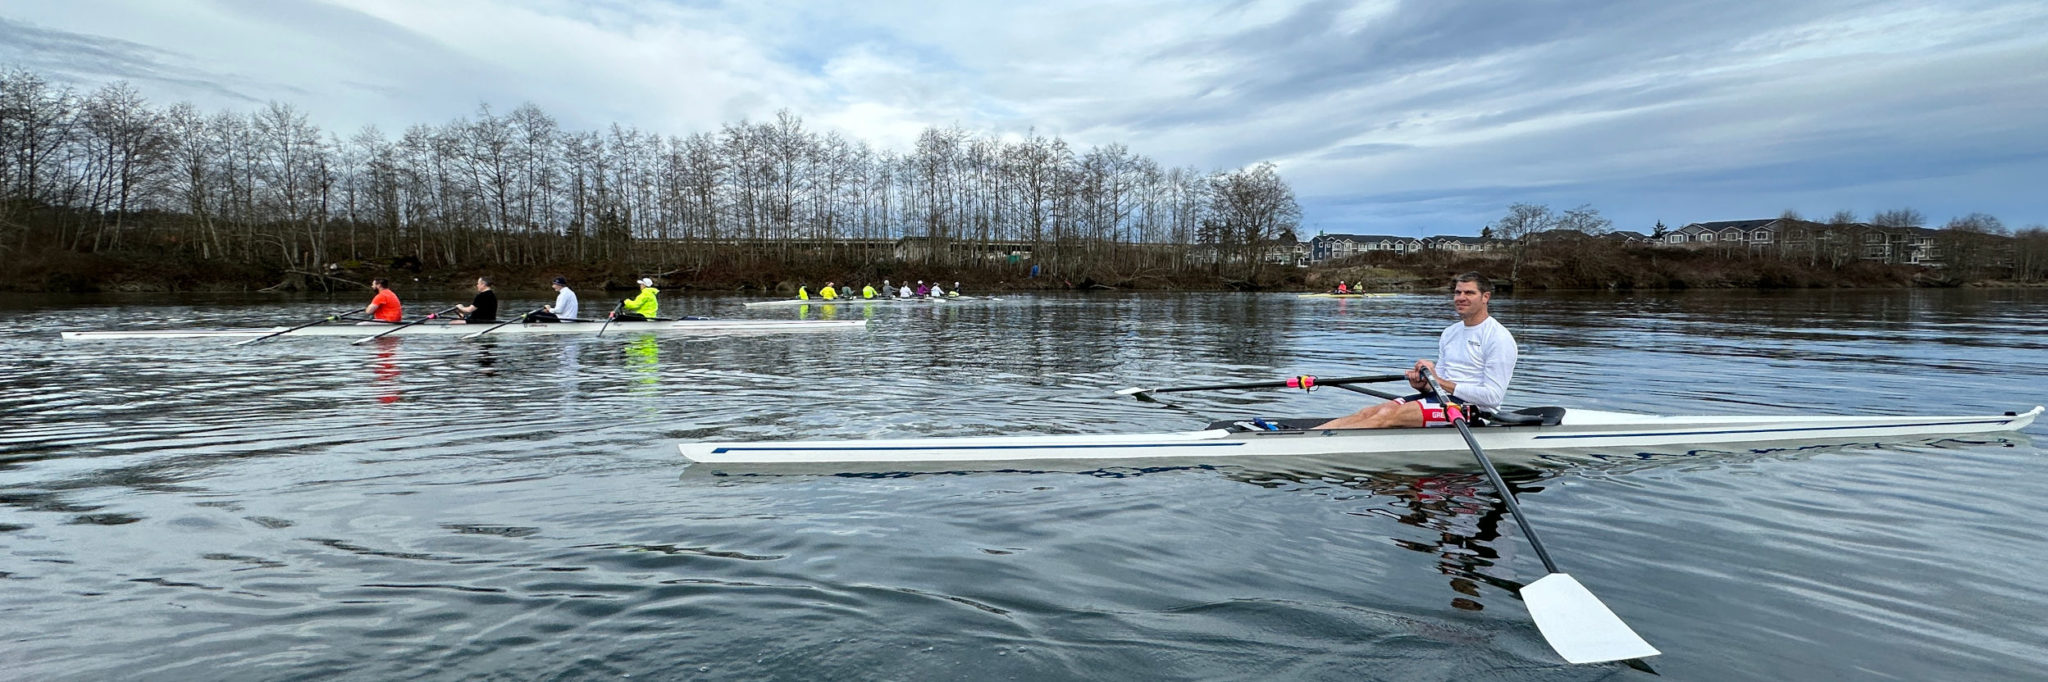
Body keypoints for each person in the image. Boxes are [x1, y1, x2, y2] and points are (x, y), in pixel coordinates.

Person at [1316, 273, 1515, 429]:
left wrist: (1440, 382)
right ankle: (1308, 437)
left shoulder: (1498, 337)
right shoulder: (1450, 332)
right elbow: (1441, 383)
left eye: (1469, 293)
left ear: (1485, 297)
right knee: (1369, 412)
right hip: (1442, 400)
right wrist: (1424, 385)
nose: (1460, 298)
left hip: (1475, 411)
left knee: (1387, 415)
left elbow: (1492, 397)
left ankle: (1324, 445)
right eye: (1457, 292)